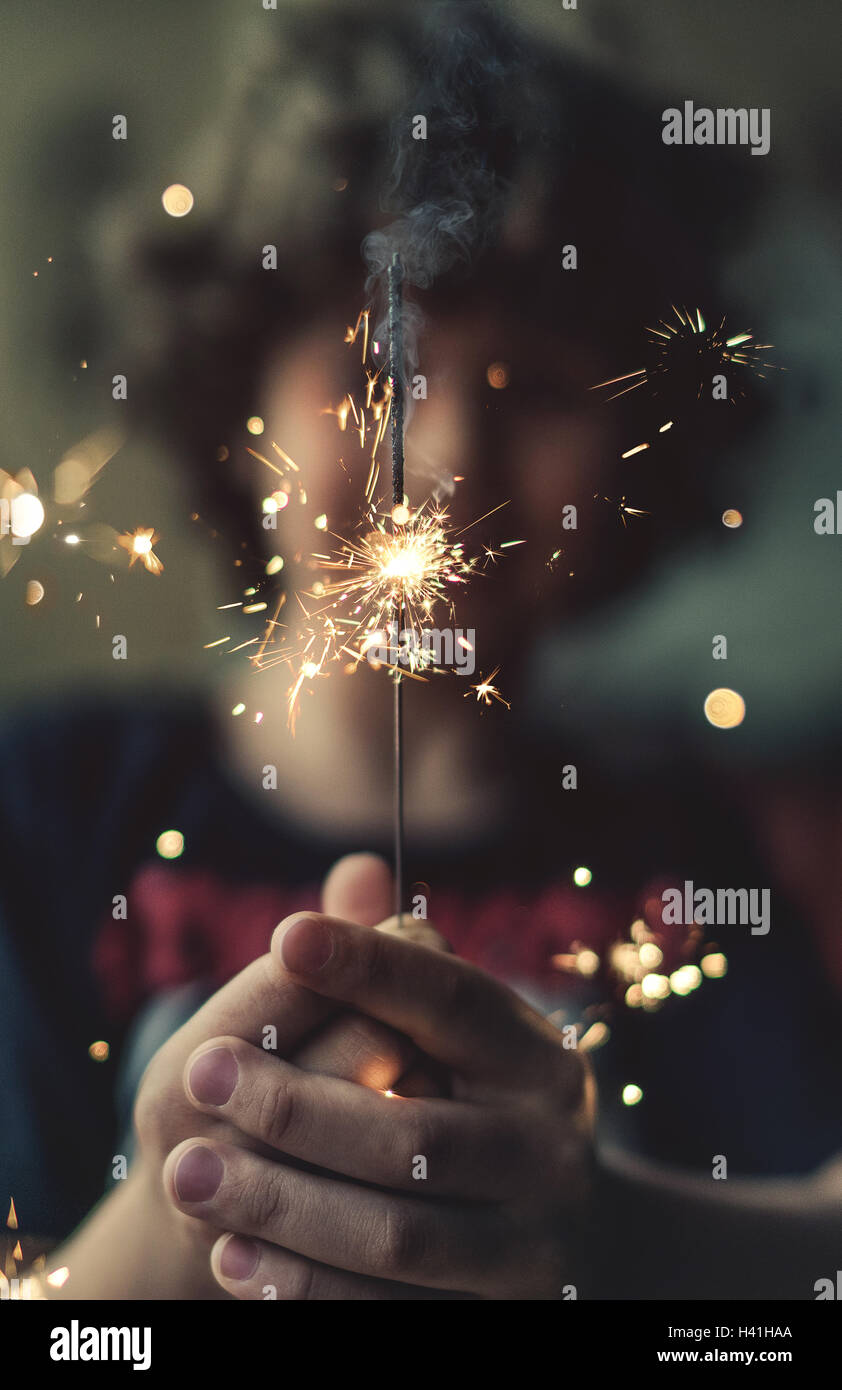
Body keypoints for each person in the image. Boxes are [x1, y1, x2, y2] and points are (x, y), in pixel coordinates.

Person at [4, 0, 841, 1300]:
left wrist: (598, 1227)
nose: (444, 464)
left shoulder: (686, 851)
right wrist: (174, 1231)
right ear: (235, 396)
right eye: (373, 370)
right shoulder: (40, 812)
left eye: (543, 386)